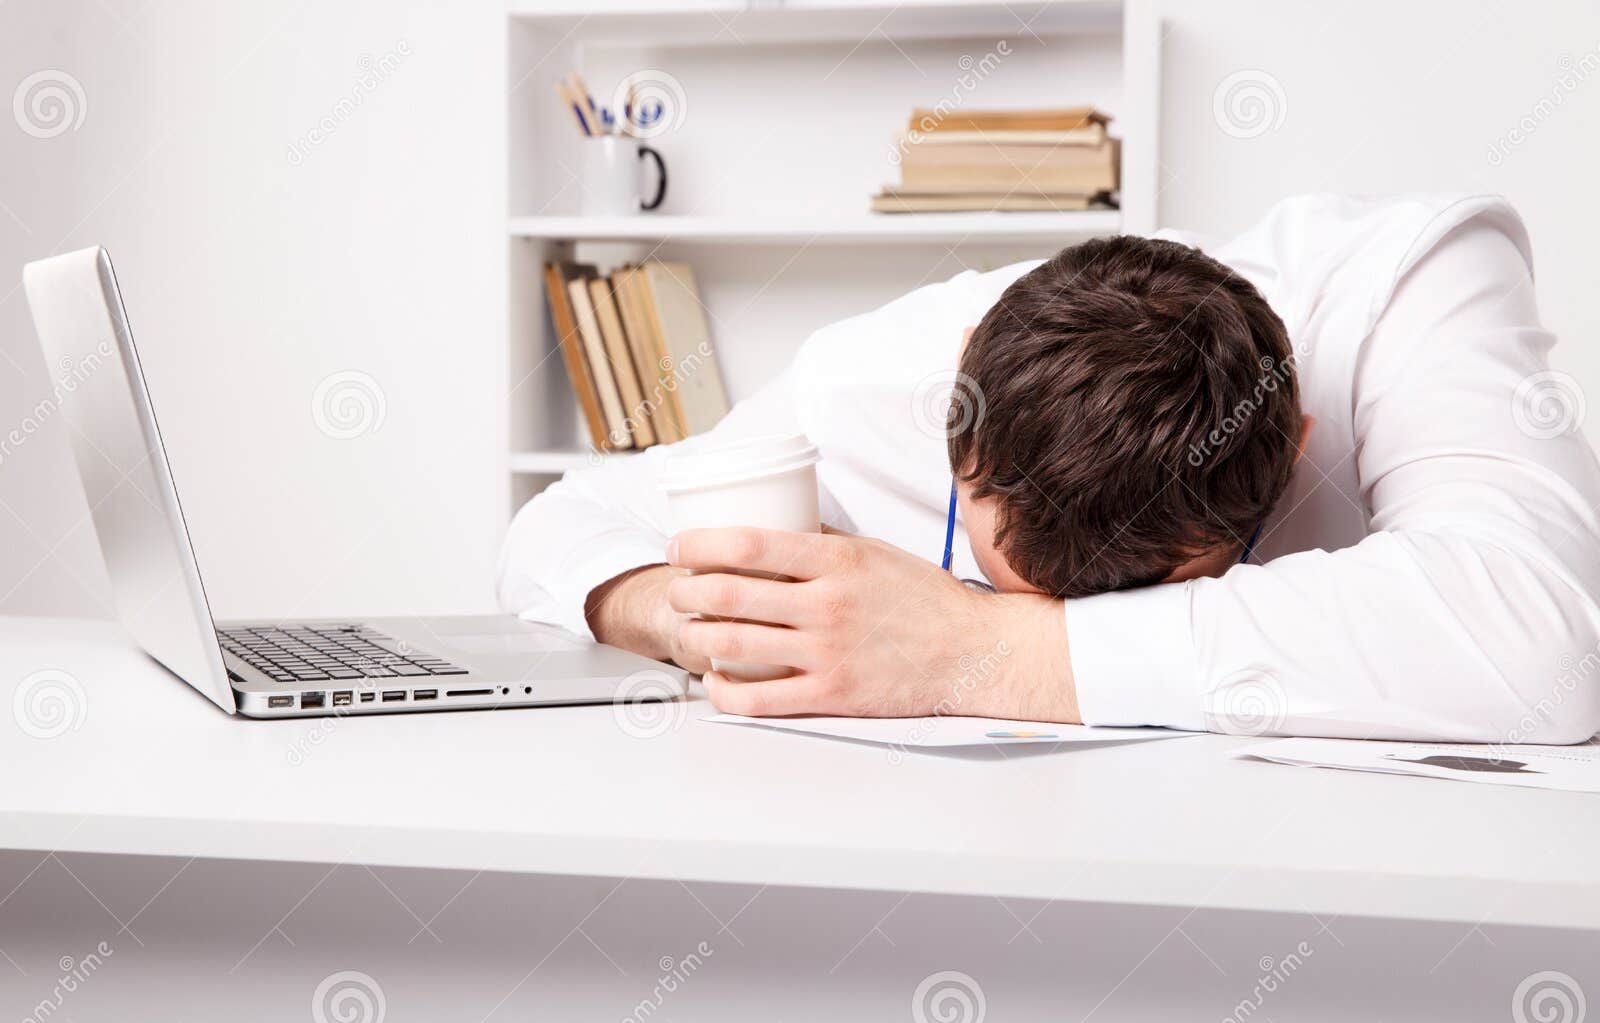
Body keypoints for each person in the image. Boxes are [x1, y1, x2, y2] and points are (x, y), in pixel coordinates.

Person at [498, 193, 1600, 743]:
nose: (1067, 609)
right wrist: (679, 611)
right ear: (953, 435)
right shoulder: (877, 378)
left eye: (1131, 593)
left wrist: (977, 648)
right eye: (1013, 575)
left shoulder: (1406, 286)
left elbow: (1547, 647)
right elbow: (566, 518)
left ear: (1294, 445)